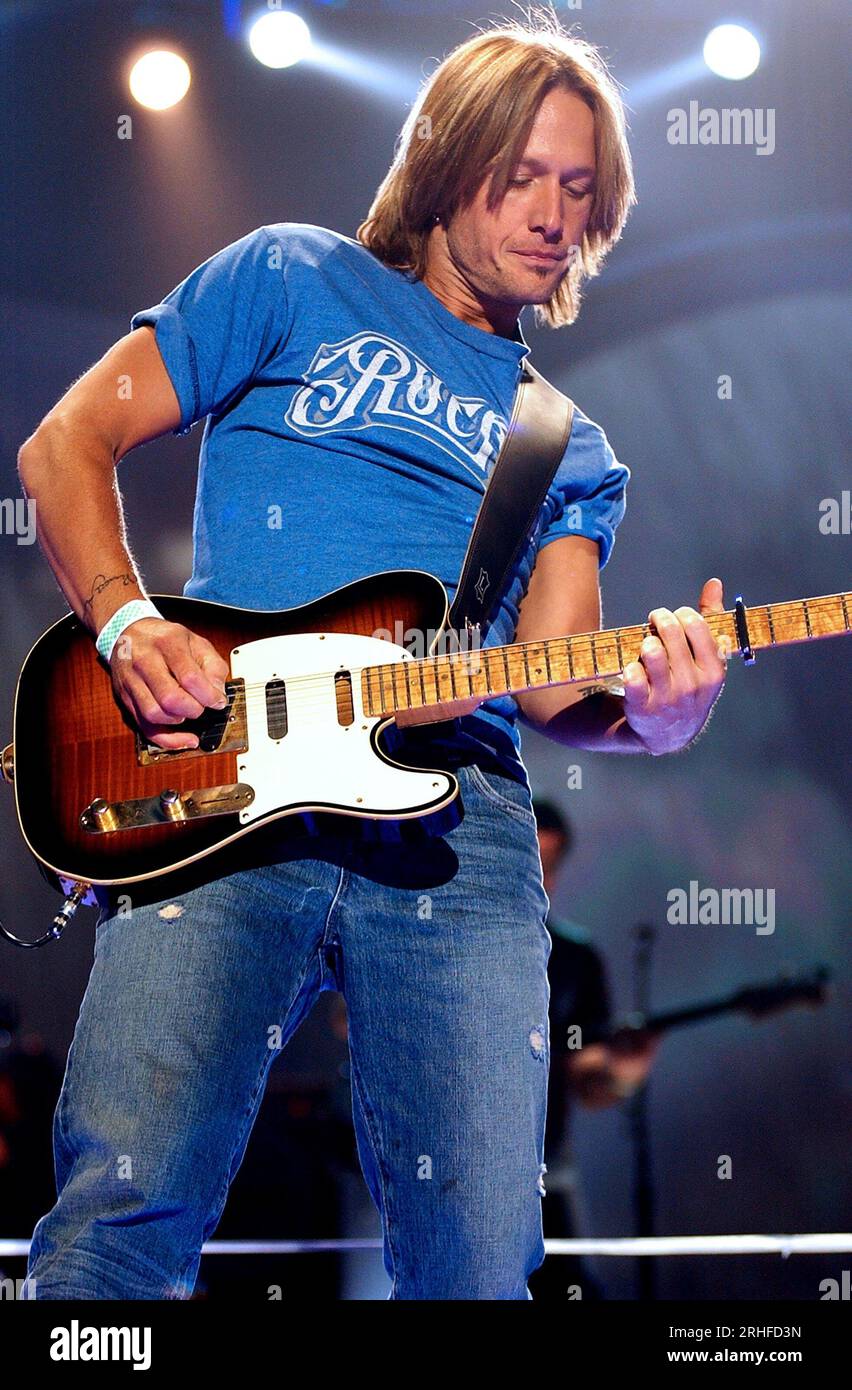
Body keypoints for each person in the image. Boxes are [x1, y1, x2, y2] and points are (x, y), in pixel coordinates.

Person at [17, 15, 727, 1299]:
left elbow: (561, 683)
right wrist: (128, 622)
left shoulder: (565, 443)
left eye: (581, 190)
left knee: (472, 1275)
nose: (553, 214)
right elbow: (63, 445)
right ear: (448, 160)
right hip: (224, 789)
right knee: (117, 1228)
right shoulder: (289, 276)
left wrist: (658, 719)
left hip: (460, 834)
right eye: (524, 175)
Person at [527, 800, 660, 1300]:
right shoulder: (437, 941)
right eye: (526, 859)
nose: (539, 876)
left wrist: (624, 1075)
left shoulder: (576, 960)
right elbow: (347, 1020)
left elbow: (589, 1084)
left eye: (549, 863)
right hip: (429, 1177)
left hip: (544, 1181)